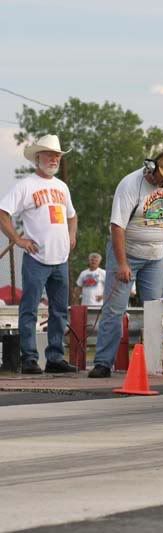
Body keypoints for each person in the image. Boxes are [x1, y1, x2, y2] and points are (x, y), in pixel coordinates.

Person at [89, 151, 163, 377]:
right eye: (161, 178)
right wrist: (122, 264)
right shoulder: (130, 185)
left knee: (154, 309)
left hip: (157, 255)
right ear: (149, 169)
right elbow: (117, 227)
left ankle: (154, 362)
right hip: (127, 253)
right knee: (115, 309)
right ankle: (102, 363)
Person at [0, 134, 78, 374]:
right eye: (50, 154)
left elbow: (72, 215)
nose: (54, 159)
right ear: (38, 158)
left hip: (60, 258)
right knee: (30, 308)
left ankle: (55, 356)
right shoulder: (26, 185)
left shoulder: (61, 186)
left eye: (57, 155)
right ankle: (29, 358)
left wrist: (72, 235)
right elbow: (4, 212)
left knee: (59, 310)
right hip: (36, 258)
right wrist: (18, 240)